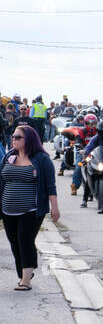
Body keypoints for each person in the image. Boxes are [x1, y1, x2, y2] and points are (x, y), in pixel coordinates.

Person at [0, 125, 59, 291]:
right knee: (14, 243)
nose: (13, 139)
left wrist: (54, 207)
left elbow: (50, 185)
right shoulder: (9, 157)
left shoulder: (41, 159)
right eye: (13, 137)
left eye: (18, 137)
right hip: (7, 209)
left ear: (29, 140)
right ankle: (26, 271)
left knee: (25, 241)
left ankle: (25, 280)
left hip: (31, 210)